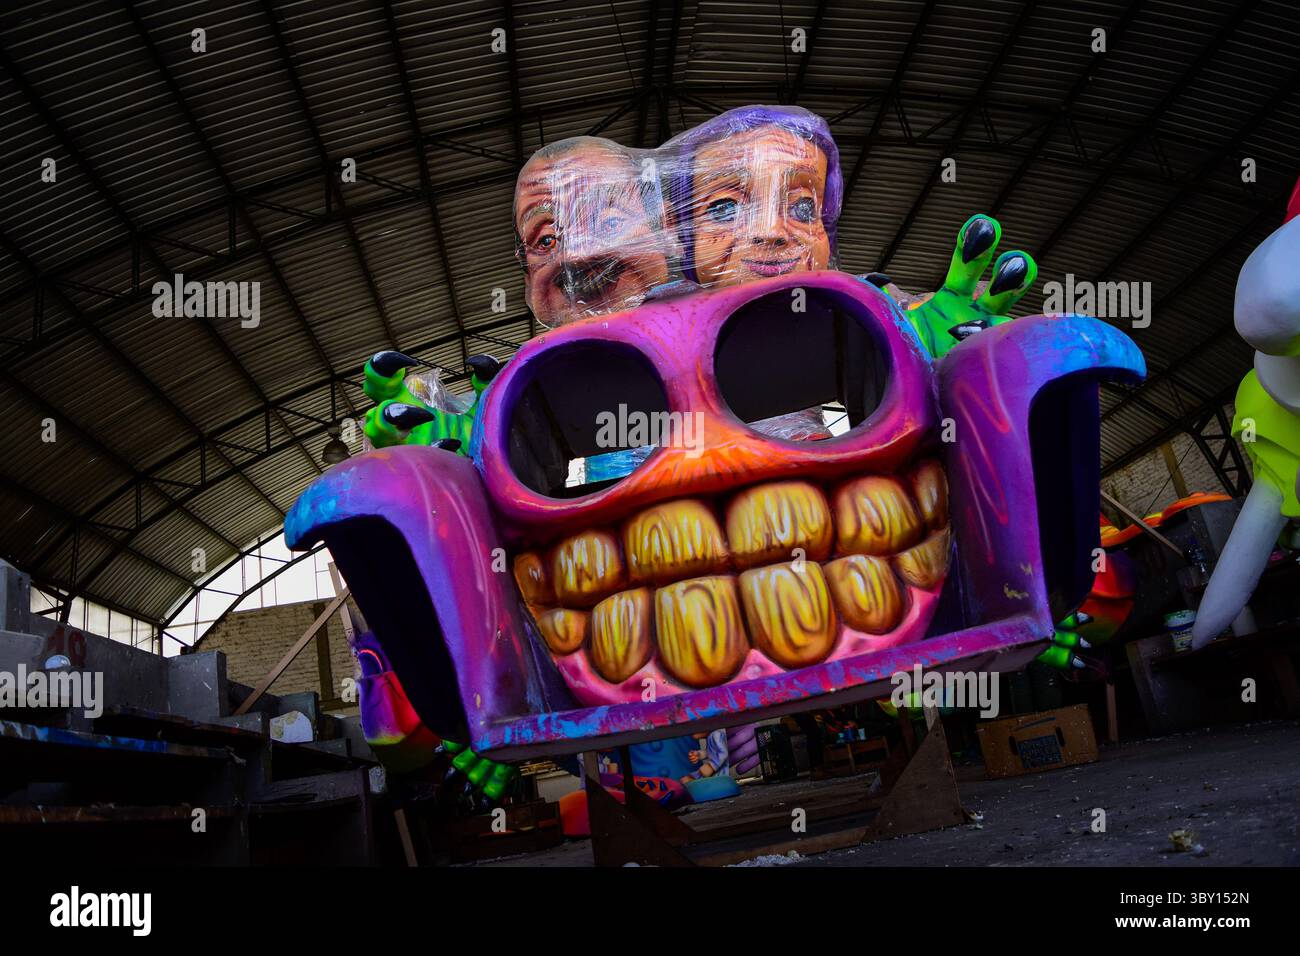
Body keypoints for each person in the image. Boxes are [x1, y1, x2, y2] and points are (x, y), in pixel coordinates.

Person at [513, 136, 678, 328]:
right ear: (527, 276)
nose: (577, 255)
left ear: (668, 227)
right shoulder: (533, 358)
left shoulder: (716, 343)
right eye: (548, 240)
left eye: (610, 223)